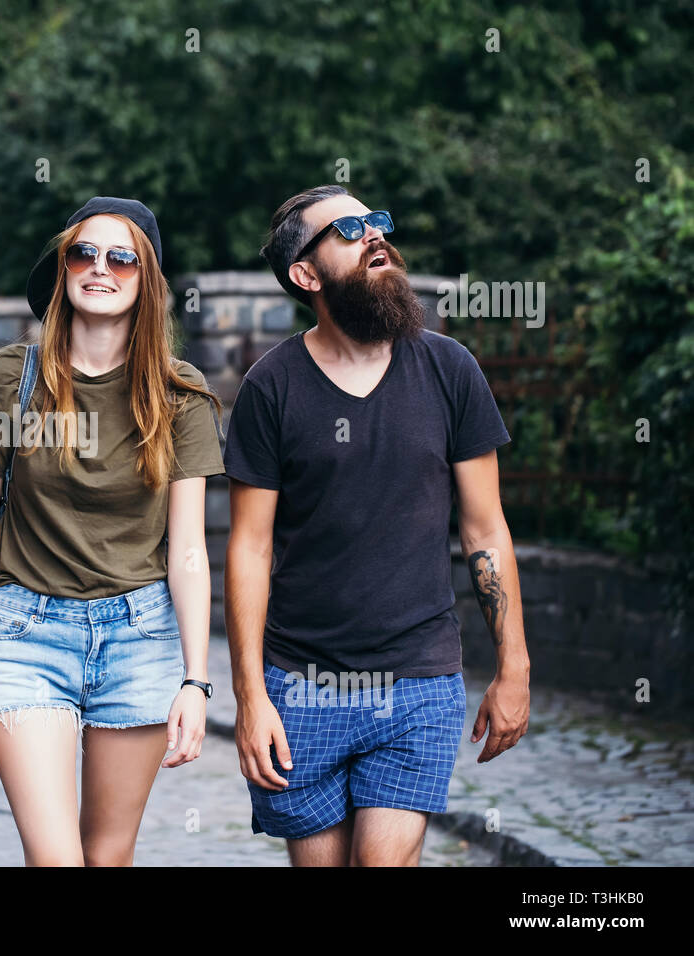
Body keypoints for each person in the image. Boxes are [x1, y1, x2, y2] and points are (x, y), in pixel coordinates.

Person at [224, 184, 531, 866]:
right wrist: (250, 697)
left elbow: (485, 530)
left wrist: (514, 665)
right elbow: (249, 547)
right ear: (305, 274)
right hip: (300, 684)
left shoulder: (450, 370)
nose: (374, 235)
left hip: (418, 676)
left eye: (377, 222)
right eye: (348, 230)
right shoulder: (271, 388)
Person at [0, 196, 225, 866]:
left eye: (121, 257)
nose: (100, 268)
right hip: (24, 636)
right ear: (64, 268)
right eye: (84, 253)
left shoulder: (179, 395)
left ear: (147, 280)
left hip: (140, 638)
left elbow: (188, 550)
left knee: (106, 855)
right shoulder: (12, 381)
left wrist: (196, 679)